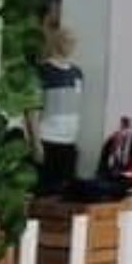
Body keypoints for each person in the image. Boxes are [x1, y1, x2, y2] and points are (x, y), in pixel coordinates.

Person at [28, 26, 84, 196]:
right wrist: (36, 142)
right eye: (67, 40)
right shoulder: (42, 71)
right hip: (48, 140)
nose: (71, 45)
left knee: (66, 193)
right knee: (45, 192)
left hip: (69, 142)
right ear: (57, 41)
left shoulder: (77, 73)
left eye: (73, 41)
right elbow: (32, 109)